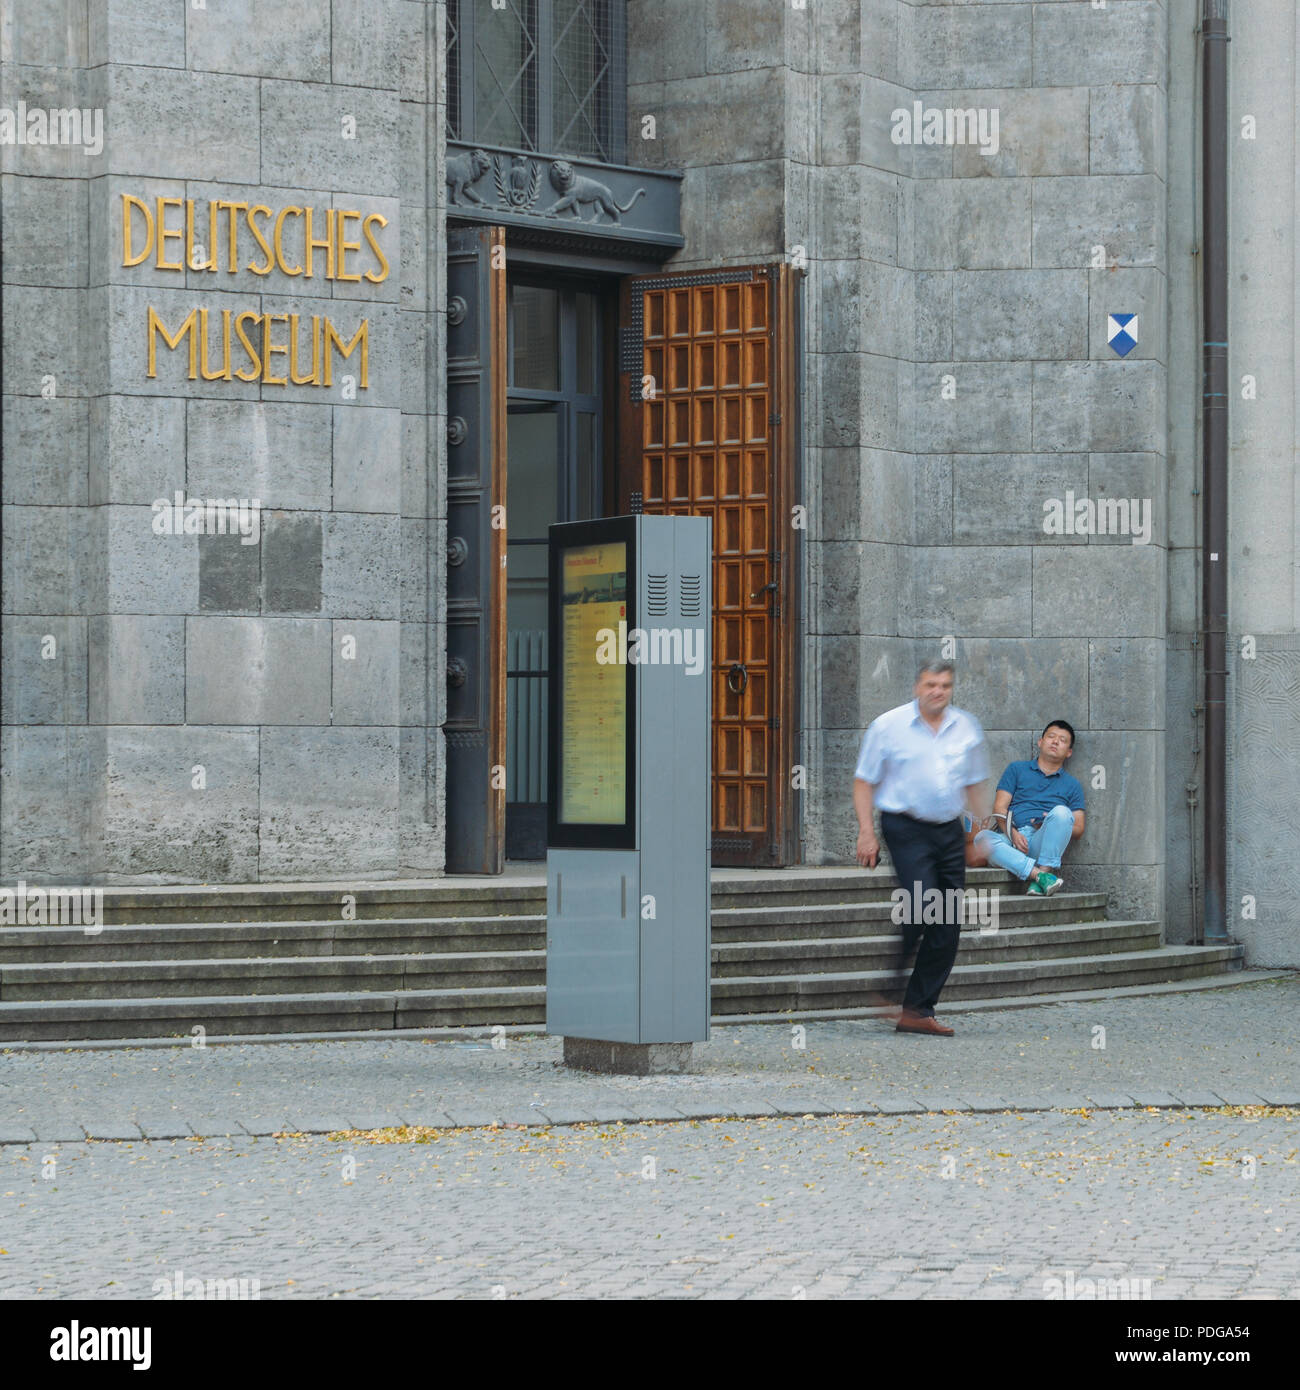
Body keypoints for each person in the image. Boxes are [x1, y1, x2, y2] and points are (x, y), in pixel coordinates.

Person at [853, 660, 989, 1037]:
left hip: (948, 829)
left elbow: (974, 785)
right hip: (904, 825)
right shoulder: (888, 726)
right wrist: (867, 832)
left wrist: (979, 834)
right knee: (921, 903)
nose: (938, 691)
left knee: (947, 923)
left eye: (945, 685)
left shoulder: (965, 728)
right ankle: (890, 987)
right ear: (917, 687)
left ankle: (917, 1010)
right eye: (931, 684)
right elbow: (864, 782)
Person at [973, 720, 1085, 894]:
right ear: (1040, 741)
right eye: (1051, 737)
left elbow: (1078, 828)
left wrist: (1050, 822)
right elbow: (999, 808)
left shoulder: (1073, 785)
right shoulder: (1017, 769)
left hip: (1044, 841)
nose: (1055, 742)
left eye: (1062, 740)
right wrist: (1013, 833)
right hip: (1012, 839)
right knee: (981, 839)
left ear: (1069, 752)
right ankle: (1040, 877)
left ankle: (1043, 871)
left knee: (1062, 812)